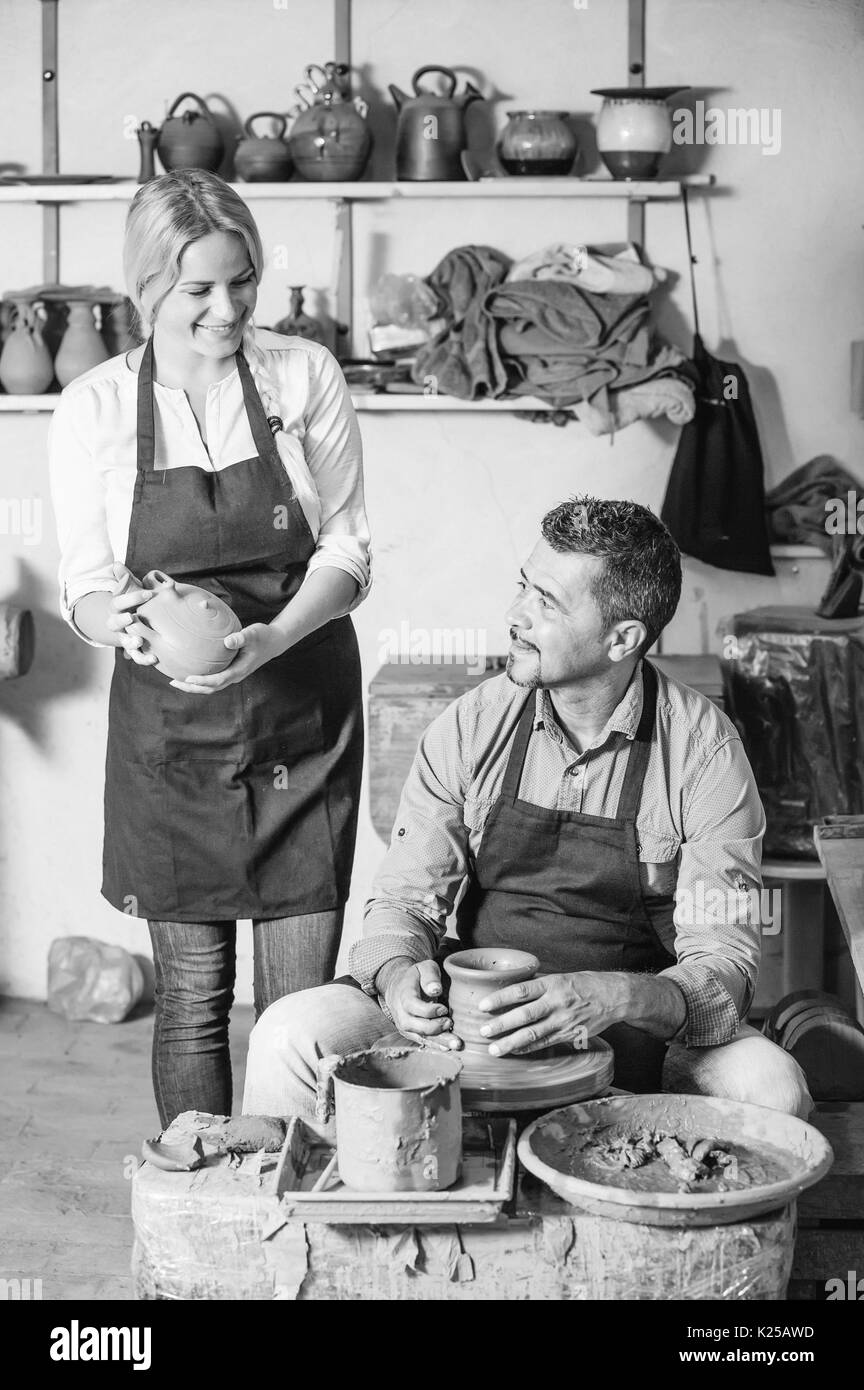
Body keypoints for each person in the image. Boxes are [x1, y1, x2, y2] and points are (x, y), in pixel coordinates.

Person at [243, 496, 811, 1123]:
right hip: (473, 1022)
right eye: (523, 587)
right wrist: (399, 974)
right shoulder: (471, 726)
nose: (516, 615)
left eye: (548, 602)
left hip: (635, 1024)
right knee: (287, 1034)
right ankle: (302, 1220)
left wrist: (617, 995)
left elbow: (724, 965)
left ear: (623, 637)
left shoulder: (704, 753)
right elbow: (403, 902)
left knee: (772, 1088)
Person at [49, 170, 370, 1128]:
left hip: (301, 721)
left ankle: (292, 1221)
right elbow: (85, 586)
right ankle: (206, 1218)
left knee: (295, 1017)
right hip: (171, 740)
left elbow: (349, 549)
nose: (228, 309)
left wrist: (269, 635)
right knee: (191, 1004)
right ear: (148, 285)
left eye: (245, 281)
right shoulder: (97, 407)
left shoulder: (303, 375)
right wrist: (136, 627)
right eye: (199, 289)